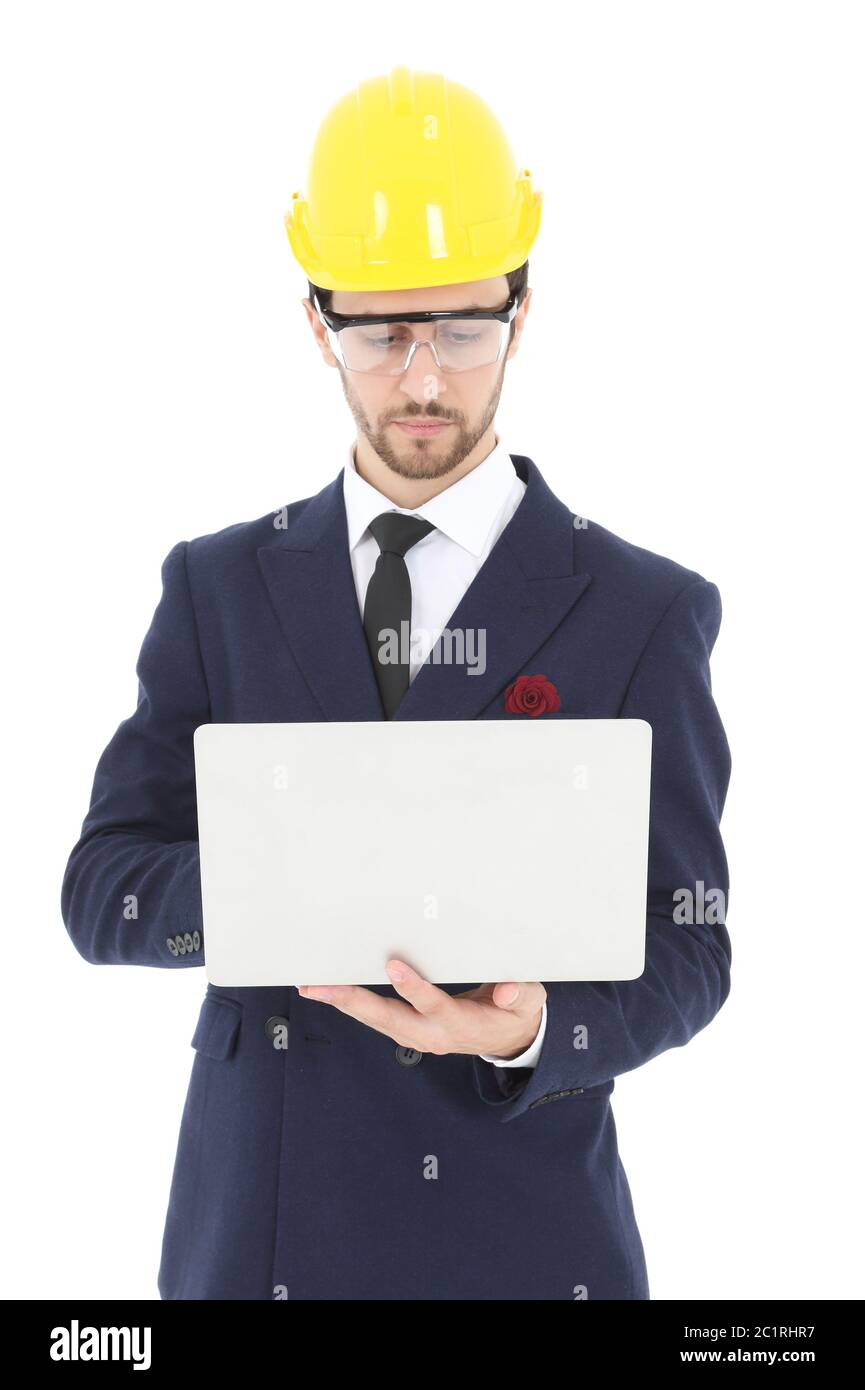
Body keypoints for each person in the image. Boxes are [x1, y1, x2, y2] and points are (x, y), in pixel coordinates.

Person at [61, 65, 731, 1301]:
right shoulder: (215, 587)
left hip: (522, 1244)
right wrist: (280, 885)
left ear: (522, 314)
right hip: (262, 1244)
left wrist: (530, 1027)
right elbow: (99, 892)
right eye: (377, 332)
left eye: (464, 329)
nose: (422, 379)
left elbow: (690, 949)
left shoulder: (645, 612)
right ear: (316, 325)